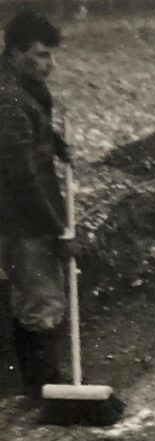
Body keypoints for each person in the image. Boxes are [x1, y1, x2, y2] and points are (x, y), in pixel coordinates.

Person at [0, 10, 74, 399]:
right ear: (15, 52)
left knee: (33, 296)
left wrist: (55, 143)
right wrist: (57, 230)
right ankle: (47, 392)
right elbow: (21, 175)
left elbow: (30, 139)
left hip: (25, 212)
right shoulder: (9, 99)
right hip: (23, 218)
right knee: (41, 299)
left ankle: (39, 386)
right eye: (41, 54)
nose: (50, 64)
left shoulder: (25, 88)